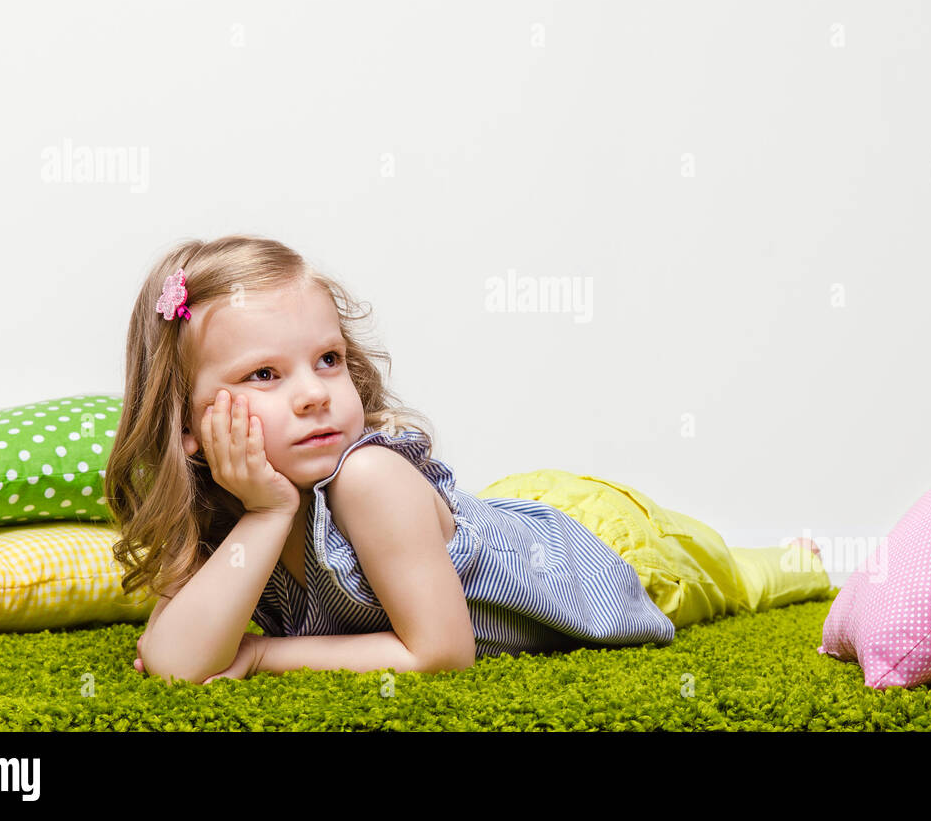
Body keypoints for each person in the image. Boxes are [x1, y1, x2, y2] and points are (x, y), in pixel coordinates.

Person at [104, 234, 829, 685]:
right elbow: (174, 662)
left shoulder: (368, 479)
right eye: (264, 375)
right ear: (186, 423)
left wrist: (263, 655)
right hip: (491, 520)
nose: (314, 395)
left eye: (327, 360)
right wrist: (267, 515)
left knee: (722, 575)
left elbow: (439, 654)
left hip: (610, 553)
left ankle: (790, 561)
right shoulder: (226, 510)